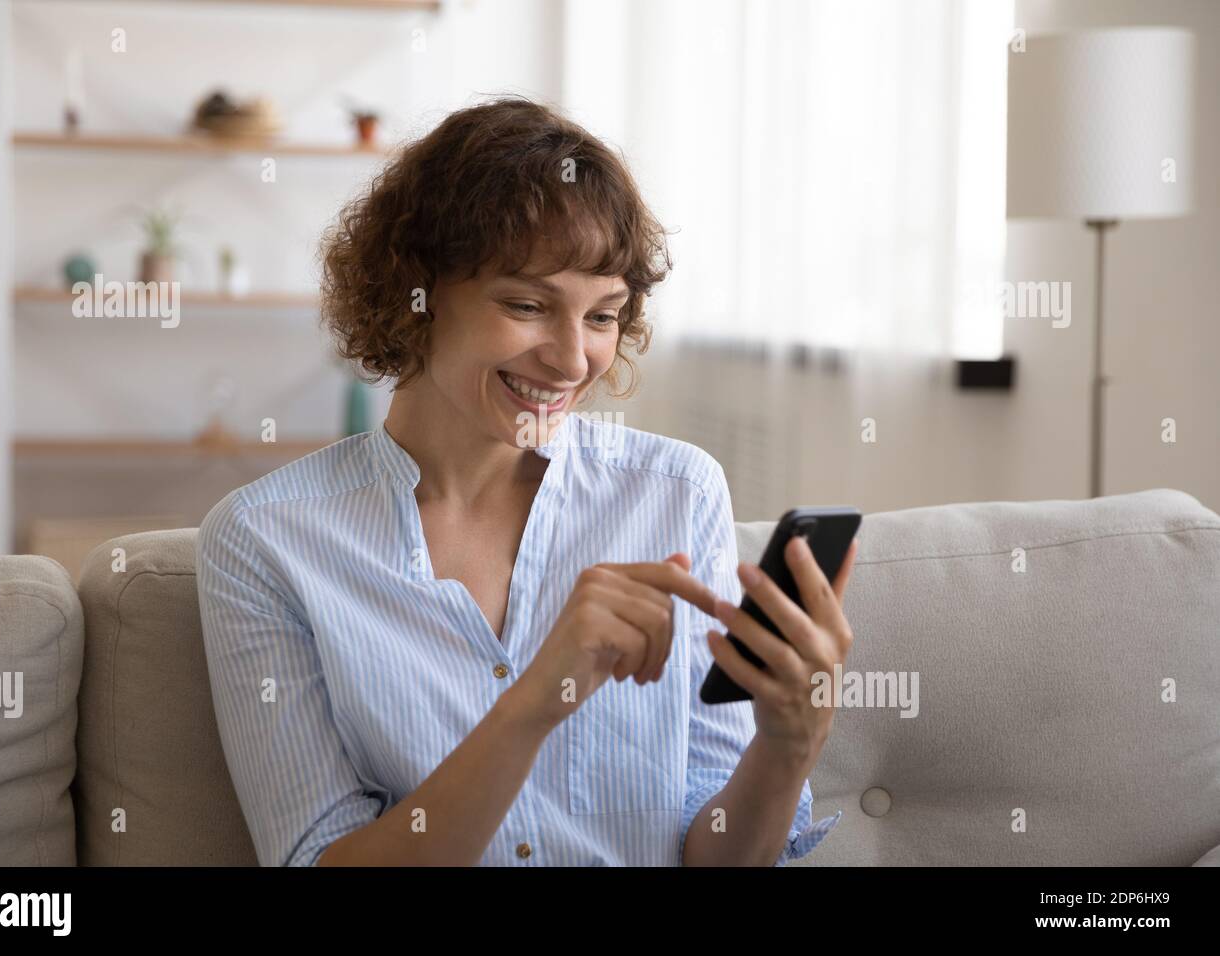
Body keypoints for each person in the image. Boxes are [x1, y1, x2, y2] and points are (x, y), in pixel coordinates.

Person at [196, 96, 859, 866]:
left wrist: (786, 748)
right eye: (527, 305)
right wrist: (532, 705)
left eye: (604, 316)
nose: (574, 361)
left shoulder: (678, 494)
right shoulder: (267, 540)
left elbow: (711, 855)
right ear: (415, 295)